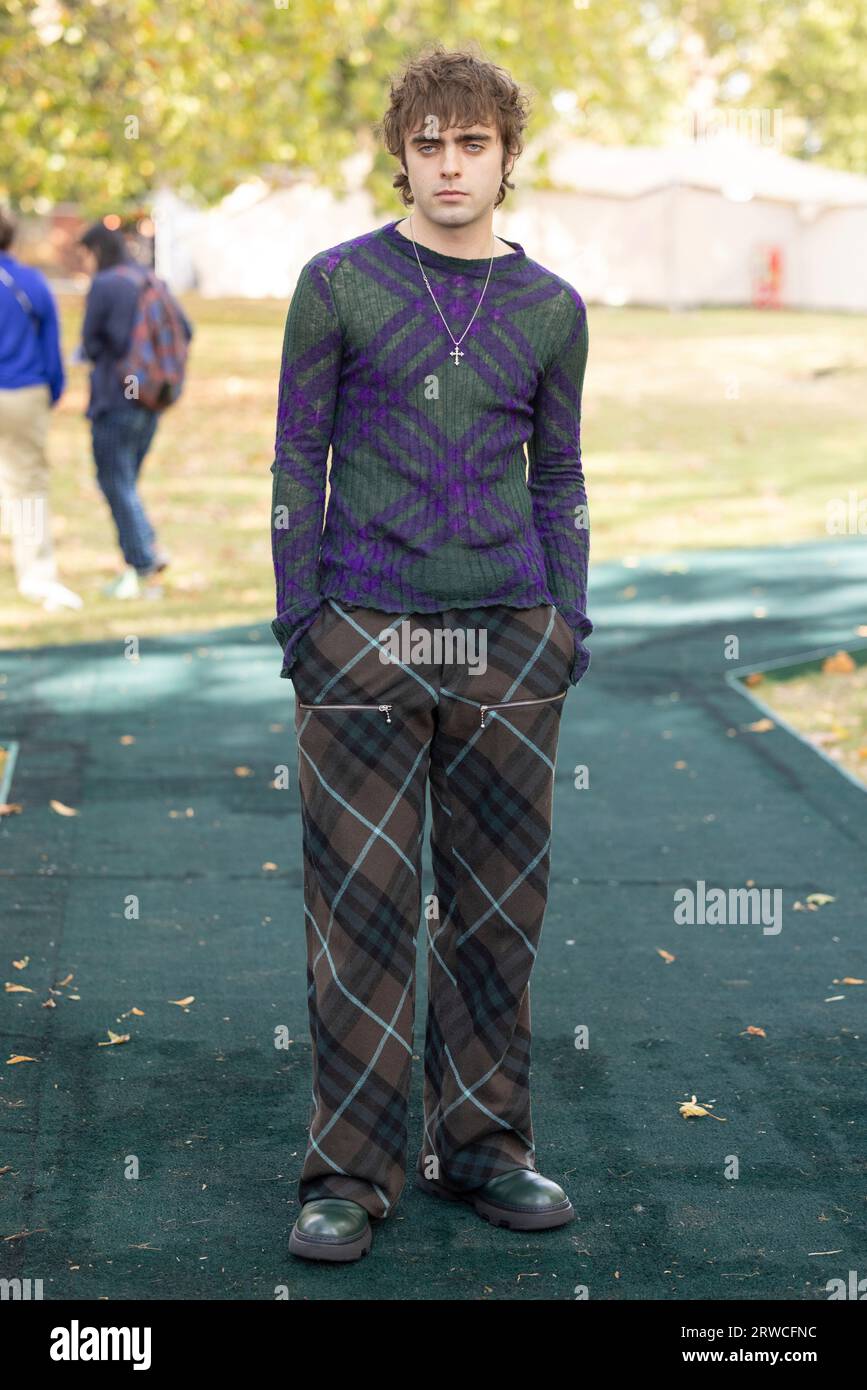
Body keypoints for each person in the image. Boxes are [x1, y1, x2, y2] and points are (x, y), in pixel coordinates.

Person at [271, 44, 594, 1263]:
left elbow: (558, 473)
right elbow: (299, 461)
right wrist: (302, 619)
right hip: (360, 631)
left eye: (472, 144)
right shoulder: (337, 283)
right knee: (359, 910)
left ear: (508, 158)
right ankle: (347, 1174)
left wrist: (569, 620)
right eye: (428, 144)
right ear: (400, 154)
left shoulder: (553, 306)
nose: (449, 165)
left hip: (511, 641)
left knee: (495, 914)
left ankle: (486, 1151)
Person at [78, 222, 191, 598]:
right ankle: (143, 558)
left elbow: (93, 343)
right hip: (151, 396)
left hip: (116, 395)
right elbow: (185, 328)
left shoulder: (106, 284)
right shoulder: (149, 279)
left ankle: (144, 561)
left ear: (95, 251)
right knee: (126, 481)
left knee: (115, 481)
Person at [0, 204, 82, 611]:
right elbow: (51, 350)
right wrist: (52, 390)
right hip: (23, 393)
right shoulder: (30, 281)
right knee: (29, 486)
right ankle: (36, 577)